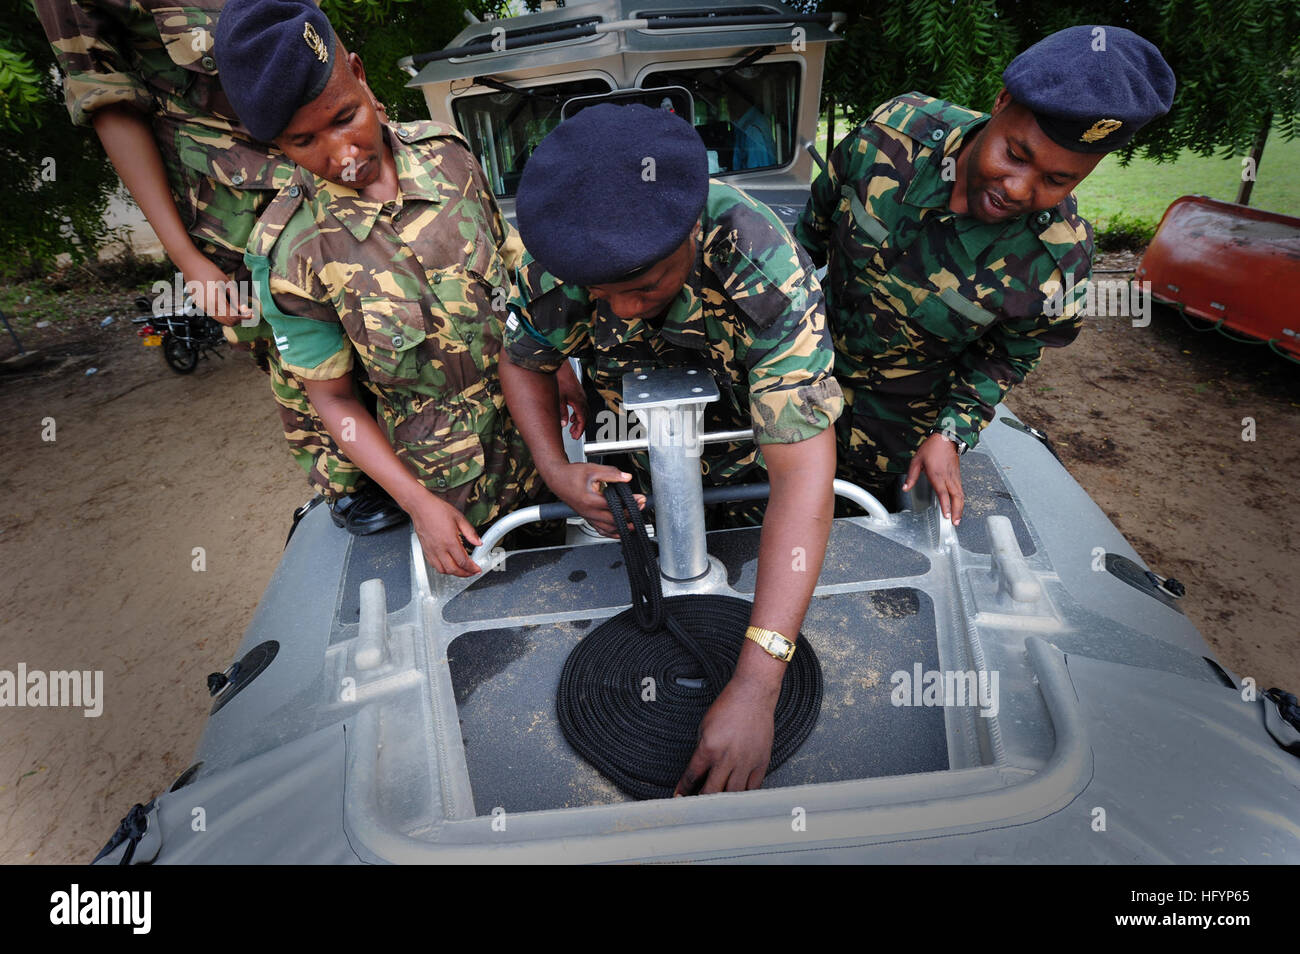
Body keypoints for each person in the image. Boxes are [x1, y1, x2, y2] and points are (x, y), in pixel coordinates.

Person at [500, 103, 843, 795]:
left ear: (691, 230)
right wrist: (557, 469)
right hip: (629, 467)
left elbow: (803, 476)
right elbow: (523, 357)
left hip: (751, 469)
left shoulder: (764, 266)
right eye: (601, 294)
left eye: (642, 288)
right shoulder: (558, 257)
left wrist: (757, 685)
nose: (621, 309)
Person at [214, 0, 580, 576]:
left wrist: (552, 361)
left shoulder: (449, 155)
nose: (342, 154)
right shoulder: (293, 252)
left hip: (536, 441)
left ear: (360, 75)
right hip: (446, 487)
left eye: (345, 117)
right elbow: (333, 401)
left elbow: (513, 267)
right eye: (302, 141)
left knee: (565, 578)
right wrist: (418, 505)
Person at [33, 0, 404, 534]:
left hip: (345, 171)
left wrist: (381, 137)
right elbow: (109, 100)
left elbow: (315, 38)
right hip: (238, 208)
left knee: (399, 308)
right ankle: (352, 482)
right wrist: (187, 259)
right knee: (304, 357)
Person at [796, 25, 1175, 524]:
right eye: (1015, 155)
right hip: (797, 371)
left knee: (850, 531)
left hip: (888, 428)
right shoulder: (892, 135)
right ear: (1000, 103)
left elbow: (1009, 355)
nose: (1018, 189)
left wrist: (950, 433)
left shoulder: (1056, 261)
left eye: (1056, 180)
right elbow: (806, 239)